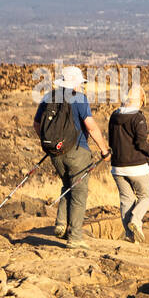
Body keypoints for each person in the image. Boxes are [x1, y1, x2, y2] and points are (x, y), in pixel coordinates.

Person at [33, 65, 110, 248]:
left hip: (55, 153)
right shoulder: (80, 99)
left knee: (67, 185)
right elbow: (90, 127)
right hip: (78, 152)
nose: (81, 86)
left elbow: (37, 125)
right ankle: (75, 237)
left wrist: (51, 144)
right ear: (75, 83)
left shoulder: (48, 97)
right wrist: (104, 150)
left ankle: (61, 223)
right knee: (79, 192)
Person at [107, 84, 149, 243]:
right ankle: (136, 221)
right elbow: (142, 144)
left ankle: (130, 236)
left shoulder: (114, 116)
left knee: (126, 200)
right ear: (141, 99)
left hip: (117, 167)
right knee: (145, 195)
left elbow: (112, 140)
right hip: (136, 167)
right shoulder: (138, 118)